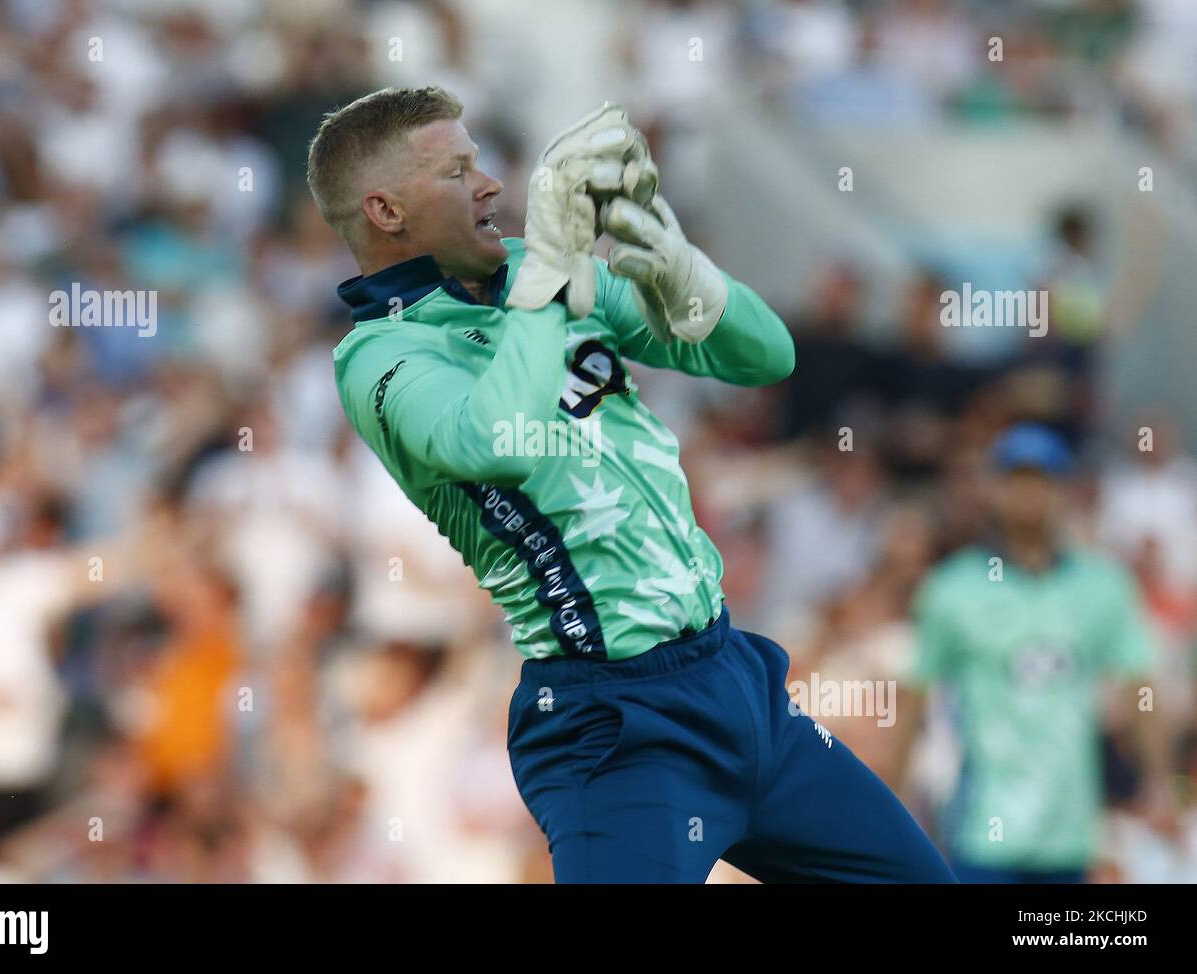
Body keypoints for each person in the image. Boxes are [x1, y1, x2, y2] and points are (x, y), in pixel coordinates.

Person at [309, 84, 954, 883]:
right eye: (455, 172)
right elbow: (497, 441)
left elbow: (765, 357)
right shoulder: (381, 355)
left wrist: (677, 265)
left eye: (479, 164)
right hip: (614, 726)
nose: (489, 186)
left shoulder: (524, 275)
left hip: (736, 680)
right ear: (385, 210)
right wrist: (548, 270)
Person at [901, 423, 1169, 883]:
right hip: (980, 829)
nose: (1029, 496)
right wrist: (896, 794)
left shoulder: (1102, 585)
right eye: (1017, 481)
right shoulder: (953, 588)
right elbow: (914, 697)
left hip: (1068, 835)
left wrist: (1158, 782)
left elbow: (1139, 682)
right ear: (994, 490)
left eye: (1042, 481)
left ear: (1063, 490)